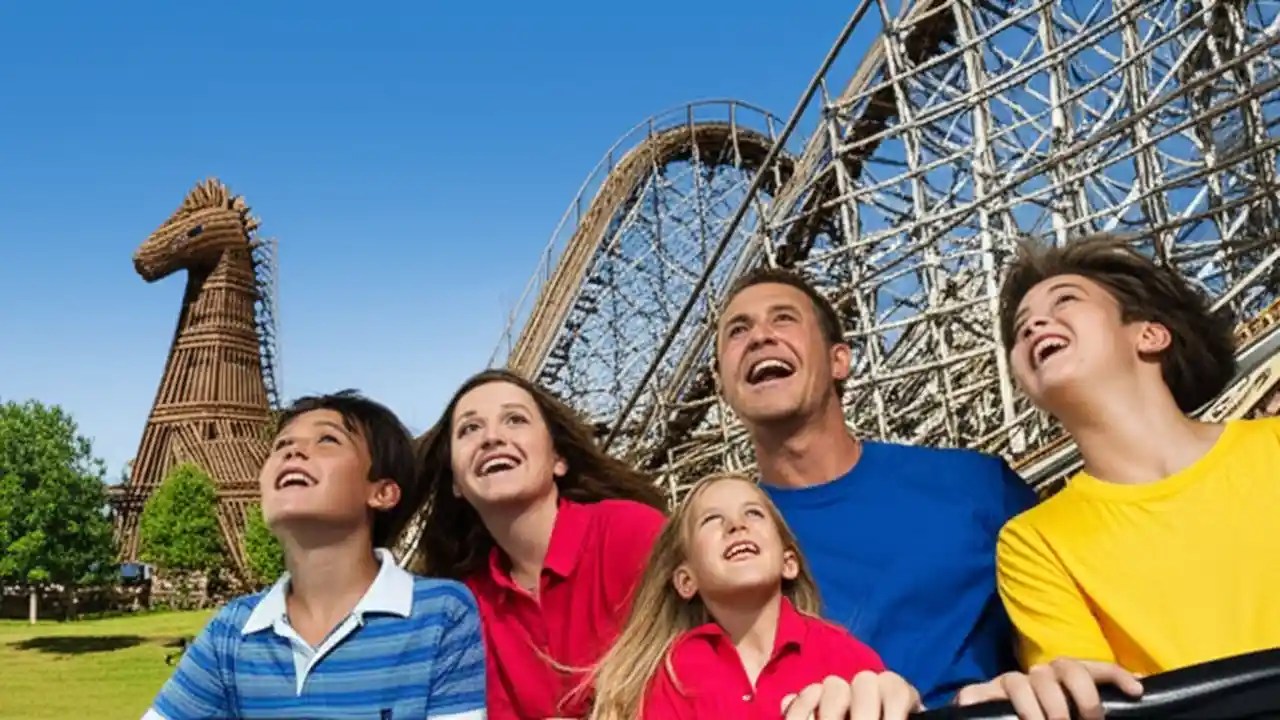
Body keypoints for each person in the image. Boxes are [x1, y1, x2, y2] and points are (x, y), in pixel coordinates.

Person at [968, 234, 1279, 714]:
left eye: (1066, 300)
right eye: (1019, 329)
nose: (1031, 328)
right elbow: (1091, 700)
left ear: (1150, 335)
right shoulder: (1034, 542)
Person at [712, 266, 1038, 711]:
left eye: (783, 318)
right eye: (738, 330)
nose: (760, 337)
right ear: (722, 388)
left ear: (838, 360)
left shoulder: (976, 487)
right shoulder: (718, 550)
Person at [144, 390, 486, 720]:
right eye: (281, 445)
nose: (293, 452)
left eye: (327, 440)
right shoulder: (233, 631)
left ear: (382, 492)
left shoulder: (440, 614)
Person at [410, 369, 669, 719]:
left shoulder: (633, 533)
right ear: (456, 482)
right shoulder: (466, 607)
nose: (491, 438)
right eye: (469, 429)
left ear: (558, 460)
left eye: (515, 419)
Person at [590, 472, 919, 720]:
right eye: (711, 520)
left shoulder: (845, 656)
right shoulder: (670, 676)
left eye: (754, 513)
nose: (736, 525)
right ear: (686, 580)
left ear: (789, 562)